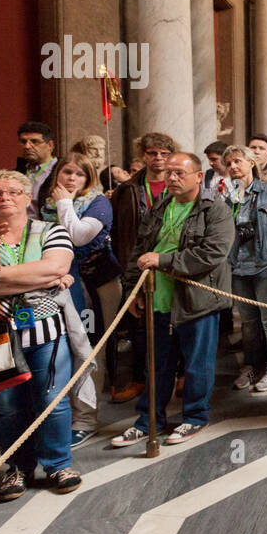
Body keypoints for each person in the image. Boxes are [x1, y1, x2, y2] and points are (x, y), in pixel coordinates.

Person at [0, 170, 82, 500]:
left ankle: (58, 464)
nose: (5, 198)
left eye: (14, 191)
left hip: (47, 332)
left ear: (28, 198)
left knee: (52, 401)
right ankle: (18, 467)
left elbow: (56, 268)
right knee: (9, 409)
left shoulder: (50, 230)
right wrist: (36, 278)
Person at [112, 153, 234, 447]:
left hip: (197, 299)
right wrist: (132, 290)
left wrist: (163, 259)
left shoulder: (214, 210)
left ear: (197, 176)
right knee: (156, 365)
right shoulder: (161, 207)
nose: (172, 178)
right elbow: (138, 250)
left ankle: (194, 417)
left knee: (196, 365)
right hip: (157, 296)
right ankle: (149, 420)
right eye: (169, 174)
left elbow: (212, 254)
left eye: (180, 173)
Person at [40, 151, 121, 446]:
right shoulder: (45, 204)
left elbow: (78, 236)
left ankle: (86, 417)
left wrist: (64, 203)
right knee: (61, 349)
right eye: (66, 172)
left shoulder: (98, 203)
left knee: (89, 348)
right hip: (57, 284)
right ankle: (61, 412)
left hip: (95, 284)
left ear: (89, 178)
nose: (71, 178)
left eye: (79, 174)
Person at [109, 132, 177, 404]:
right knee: (139, 325)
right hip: (136, 262)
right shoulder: (128, 189)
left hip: (170, 262)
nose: (158, 159)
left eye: (164, 154)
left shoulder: (178, 184)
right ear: (143, 156)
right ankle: (141, 378)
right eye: (152, 153)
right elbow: (117, 229)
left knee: (174, 320)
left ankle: (179, 373)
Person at [222, 144, 267, 393]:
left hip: (266, 265)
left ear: (251, 163)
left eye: (237, 161)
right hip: (238, 266)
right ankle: (251, 366)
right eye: (229, 163)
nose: (233, 167)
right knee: (249, 323)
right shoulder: (227, 195)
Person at [15, 121, 57, 205]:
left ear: (50, 145)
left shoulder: (62, 172)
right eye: (23, 142)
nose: (27, 146)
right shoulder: (16, 172)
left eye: (34, 141)